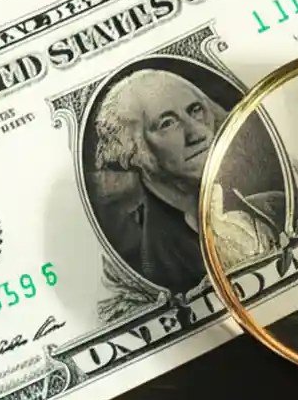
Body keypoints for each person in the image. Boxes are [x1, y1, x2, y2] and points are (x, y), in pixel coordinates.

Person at [94, 68, 283, 295]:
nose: (198, 133)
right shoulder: (155, 267)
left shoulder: (274, 205)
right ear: (133, 151)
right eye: (167, 123)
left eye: (195, 111)